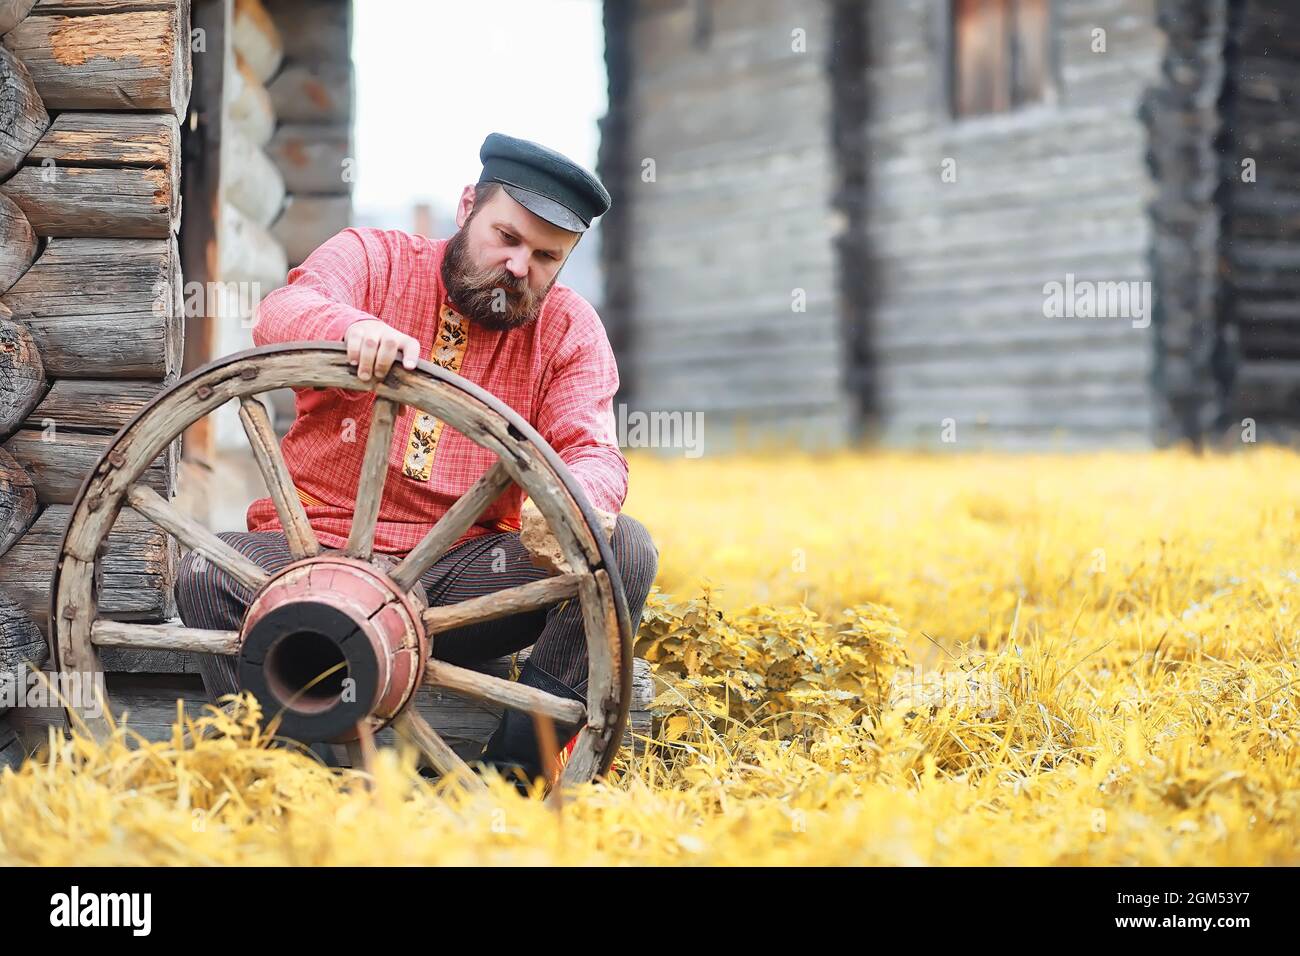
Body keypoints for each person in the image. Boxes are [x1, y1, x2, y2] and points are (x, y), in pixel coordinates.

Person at [174, 132, 658, 787]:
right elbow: (282, 312)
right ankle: (288, 776)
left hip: (460, 584)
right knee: (206, 574)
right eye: (507, 239)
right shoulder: (374, 260)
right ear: (467, 207)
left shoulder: (568, 330)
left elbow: (593, 448)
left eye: (547, 256)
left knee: (623, 547)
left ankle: (514, 777)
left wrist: (581, 504)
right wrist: (347, 330)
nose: (521, 266)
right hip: (313, 560)